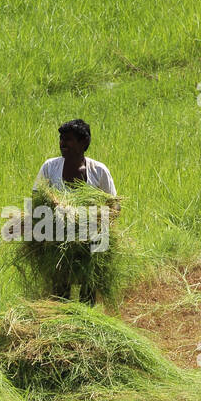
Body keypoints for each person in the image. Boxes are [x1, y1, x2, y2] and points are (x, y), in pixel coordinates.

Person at [34, 120, 118, 304]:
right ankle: (61, 327)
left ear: (83, 143)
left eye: (69, 139)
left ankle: (85, 324)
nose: (63, 143)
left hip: (92, 238)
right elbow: (36, 198)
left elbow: (113, 204)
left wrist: (105, 224)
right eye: (61, 139)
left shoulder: (99, 171)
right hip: (57, 237)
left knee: (88, 287)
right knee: (60, 289)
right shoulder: (50, 167)